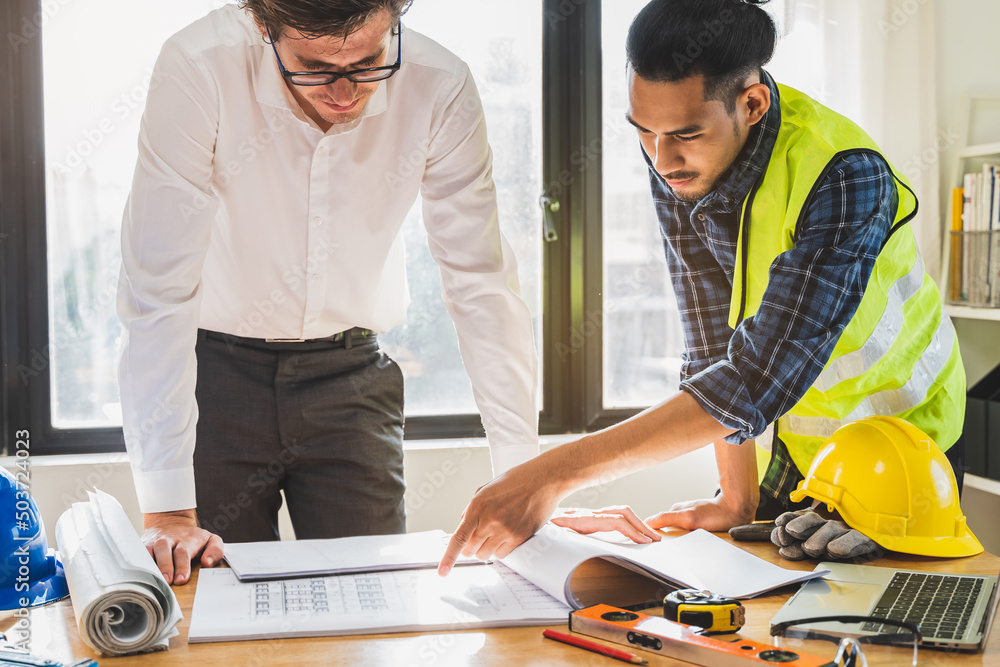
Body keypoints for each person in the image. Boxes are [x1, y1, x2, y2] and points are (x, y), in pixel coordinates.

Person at [438, 0, 965, 575]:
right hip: (801, 450)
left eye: (685, 134)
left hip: (903, 450)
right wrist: (736, 498)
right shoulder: (681, 160)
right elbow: (712, 337)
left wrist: (552, 473)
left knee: (886, 637)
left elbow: (758, 378)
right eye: (646, 133)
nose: (662, 159)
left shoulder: (845, 175)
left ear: (752, 103)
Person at [117, 0, 539, 585]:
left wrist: (523, 479)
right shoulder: (199, 65)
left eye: (368, 61)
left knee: (373, 600)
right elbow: (158, 287)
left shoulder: (439, 84)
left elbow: (480, 282)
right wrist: (166, 509)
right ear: (264, 27)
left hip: (352, 377)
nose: (344, 93)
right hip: (212, 379)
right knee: (210, 597)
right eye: (314, 66)